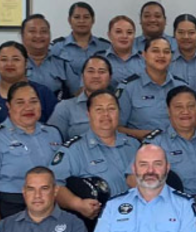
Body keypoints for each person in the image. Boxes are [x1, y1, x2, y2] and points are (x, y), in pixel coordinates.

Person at [0, 81, 63, 229]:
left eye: (34, 101)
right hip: (12, 208)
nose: (28, 107)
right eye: (20, 102)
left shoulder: (53, 134)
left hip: (53, 207)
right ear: (9, 107)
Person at [49, 88, 139, 223]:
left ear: (119, 113)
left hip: (138, 218)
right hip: (102, 223)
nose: (106, 115)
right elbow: (54, 185)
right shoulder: (73, 150)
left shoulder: (134, 145)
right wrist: (77, 204)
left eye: (111, 109)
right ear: (88, 114)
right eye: (99, 110)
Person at [141, 86, 196, 210]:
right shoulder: (155, 143)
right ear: (168, 111)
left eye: (191, 106)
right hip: (170, 207)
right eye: (178, 107)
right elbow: (136, 179)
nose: (185, 111)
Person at [0, 14, 77, 101]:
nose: (38, 36)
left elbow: (78, 92)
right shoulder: (10, 62)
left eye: (43, 31)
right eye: (32, 31)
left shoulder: (62, 63)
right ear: (22, 35)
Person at [117, 36, 187, 140]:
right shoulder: (129, 87)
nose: (161, 55)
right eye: (155, 51)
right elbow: (117, 128)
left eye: (166, 52)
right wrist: (147, 135)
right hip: (141, 148)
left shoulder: (182, 87)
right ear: (144, 55)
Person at [0, 41, 57, 129]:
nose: (9, 64)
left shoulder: (43, 94)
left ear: (26, 63)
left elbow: (52, 130)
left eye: (16, 59)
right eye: (4, 59)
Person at [49, 55, 113, 139]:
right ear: (82, 76)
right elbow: (53, 141)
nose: (96, 76)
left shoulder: (120, 105)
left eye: (101, 71)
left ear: (110, 77)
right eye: (90, 71)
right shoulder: (65, 107)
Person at [51, 2, 111, 76]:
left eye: (86, 17)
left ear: (93, 20)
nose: (81, 21)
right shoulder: (57, 47)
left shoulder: (106, 47)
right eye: (77, 17)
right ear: (69, 20)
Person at [101, 15, 146, 84]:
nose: (124, 36)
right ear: (109, 35)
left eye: (129, 33)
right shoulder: (100, 60)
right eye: (118, 32)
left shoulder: (145, 60)